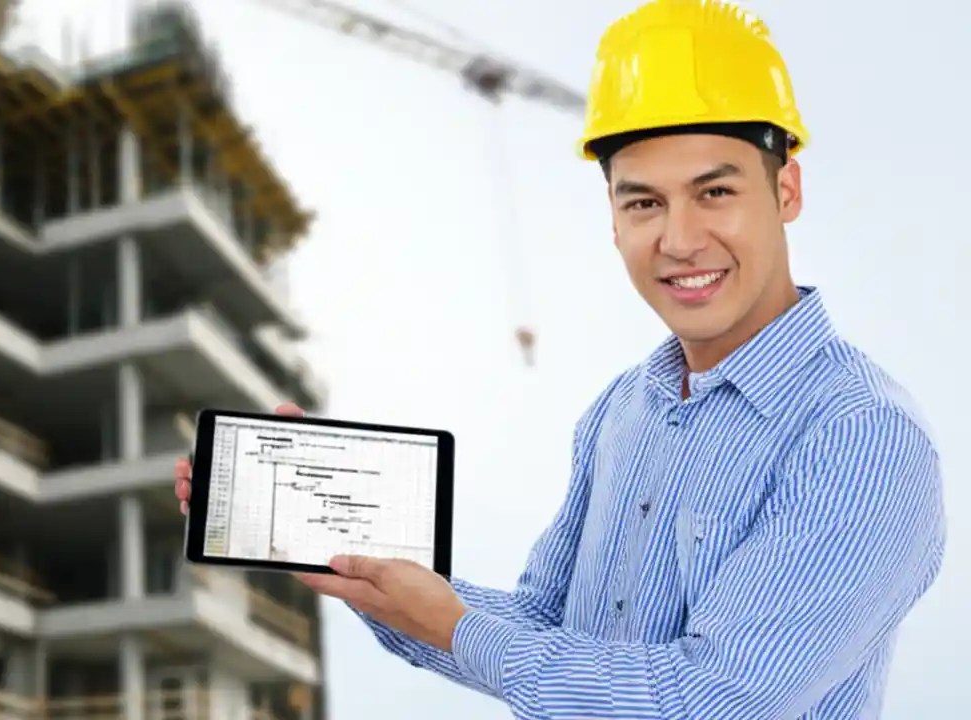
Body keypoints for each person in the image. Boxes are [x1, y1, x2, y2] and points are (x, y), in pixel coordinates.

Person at [175, 0, 946, 717]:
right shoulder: (624, 409)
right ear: (613, 219)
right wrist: (348, 554)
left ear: (787, 190)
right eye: (643, 202)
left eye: (714, 193)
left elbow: (710, 701)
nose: (678, 239)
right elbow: (545, 626)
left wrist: (455, 628)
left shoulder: (862, 439)